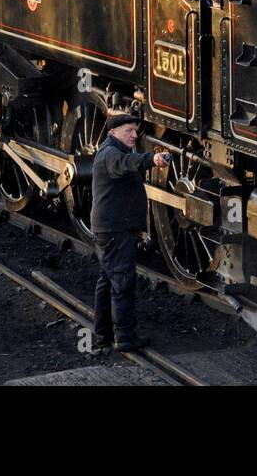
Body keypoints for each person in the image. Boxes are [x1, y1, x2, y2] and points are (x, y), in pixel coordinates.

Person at [91, 113, 170, 352]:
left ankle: (102, 335)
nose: (135, 135)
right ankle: (124, 337)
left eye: (136, 131)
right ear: (113, 132)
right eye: (129, 131)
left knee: (108, 280)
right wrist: (152, 159)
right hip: (114, 230)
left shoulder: (113, 150)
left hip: (112, 228)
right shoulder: (110, 154)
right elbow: (125, 164)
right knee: (123, 282)